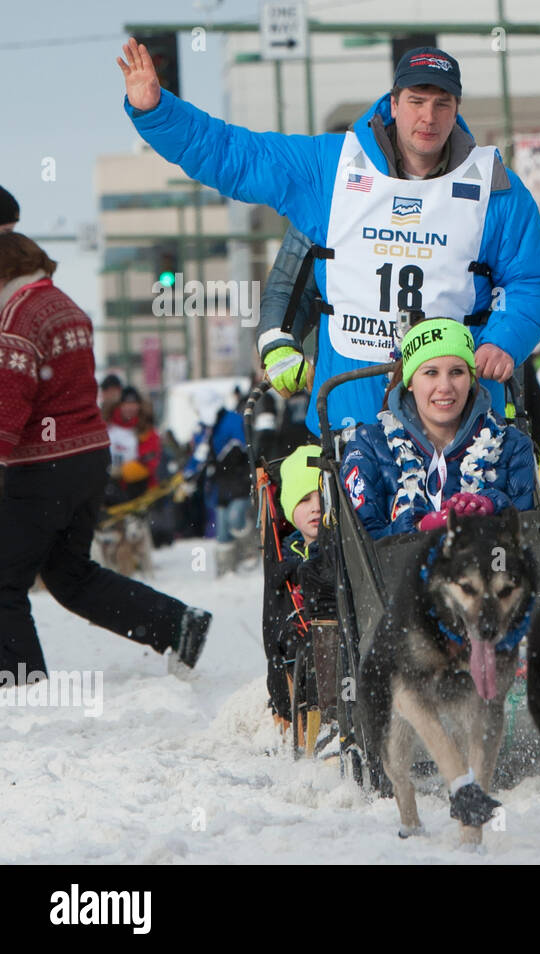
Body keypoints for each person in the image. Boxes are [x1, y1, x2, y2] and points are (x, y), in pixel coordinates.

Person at [119, 40, 540, 435]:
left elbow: (534, 279)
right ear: (394, 102)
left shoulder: (494, 185)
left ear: (457, 107)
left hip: (459, 416)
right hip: (353, 412)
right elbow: (237, 154)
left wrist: (505, 339)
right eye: (417, 101)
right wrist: (159, 113)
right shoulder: (333, 167)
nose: (428, 117)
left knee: (466, 528)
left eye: (442, 104)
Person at [0, 232, 210, 679]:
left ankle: (20, 686)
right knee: (69, 575)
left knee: (4, 582)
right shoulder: (65, 305)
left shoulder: (18, 315)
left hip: (42, 466)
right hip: (89, 458)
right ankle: (175, 623)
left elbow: (9, 403)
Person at [341, 318, 535, 539]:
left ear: (471, 377)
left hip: (489, 569)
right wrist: (418, 527)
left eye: (457, 372)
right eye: (431, 372)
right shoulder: (369, 444)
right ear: (410, 381)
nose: (444, 387)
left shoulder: (512, 445)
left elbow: (528, 542)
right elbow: (362, 543)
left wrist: (492, 507)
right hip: (395, 572)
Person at [263, 444, 336, 729]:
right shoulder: (287, 553)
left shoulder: (341, 545)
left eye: (323, 497)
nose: (316, 507)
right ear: (290, 507)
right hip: (300, 626)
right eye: (304, 500)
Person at [183, 388, 253, 572]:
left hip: (241, 480)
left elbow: (246, 448)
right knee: (222, 529)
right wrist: (189, 474)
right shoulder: (204, 429)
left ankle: (250, 555)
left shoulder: (233, 420)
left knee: (235, 519)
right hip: (221, 484)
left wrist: (235, 453)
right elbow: (199, 455)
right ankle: (226, 569)